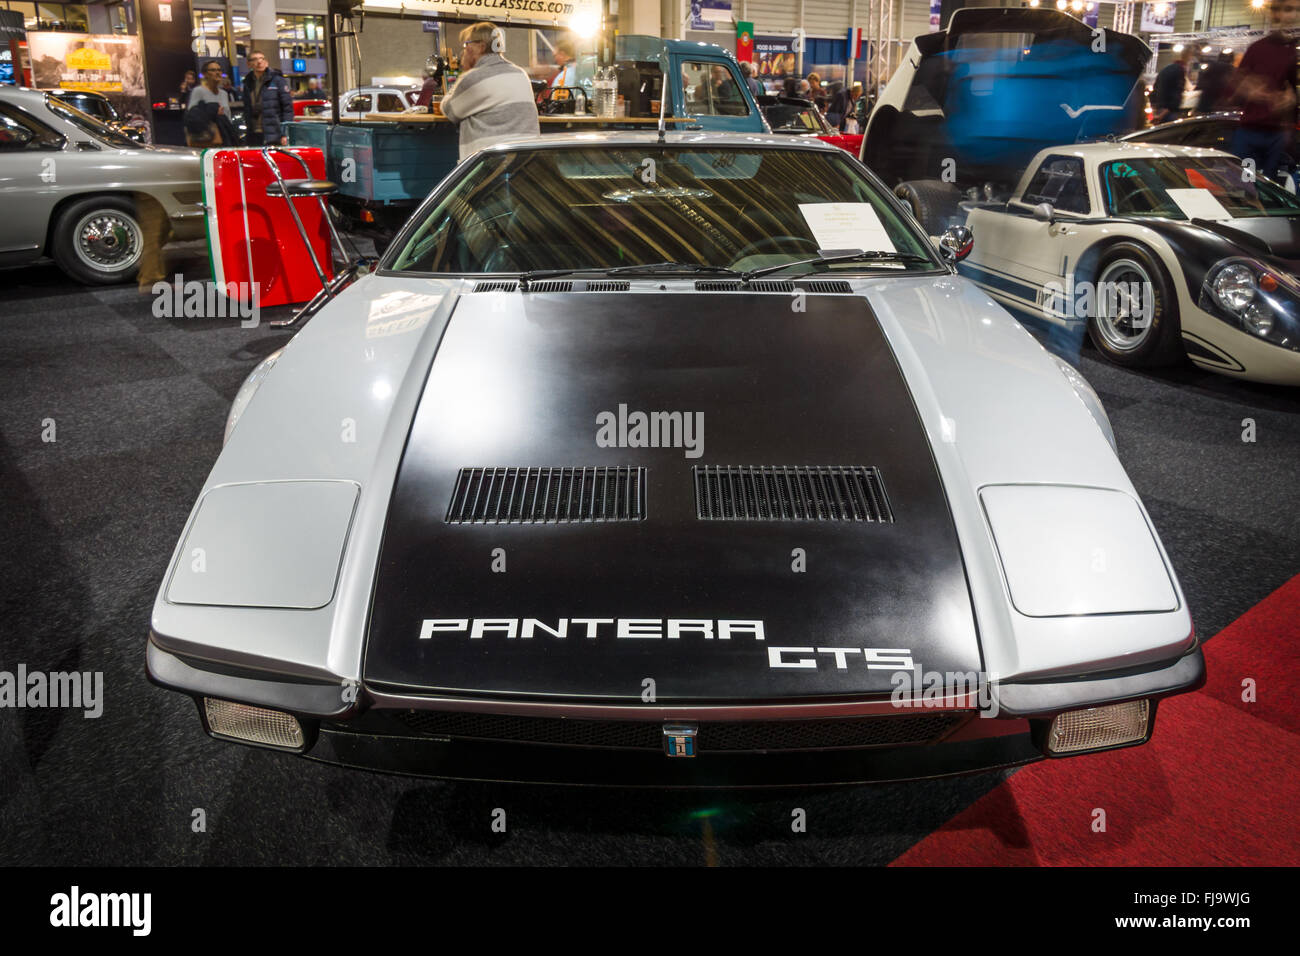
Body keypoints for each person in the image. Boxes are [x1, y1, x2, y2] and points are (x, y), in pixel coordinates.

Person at [440, 21, 539, 161]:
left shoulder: (475, 77)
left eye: (466, 44)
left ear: (481, 47)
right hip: (525, 158)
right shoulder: (520, 73)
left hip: (489, 162)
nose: (463, 51)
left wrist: (462, 78)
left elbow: (449, 110)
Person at [1232, 0, 1300, 181]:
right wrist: (1248, 90)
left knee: (1269, 188)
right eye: (1281, 10)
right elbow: (1234, 89)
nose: (1286, 16)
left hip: (1275, 135)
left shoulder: (1290, 52)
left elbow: (1291, 92)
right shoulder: (1257, 49)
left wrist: (1289, 101)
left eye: (1292, 10)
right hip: (1250, 132)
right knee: (1247, 185)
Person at [241, 50, 294, 146]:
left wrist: (285, 134)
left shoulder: (277, 80)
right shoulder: (247, 83)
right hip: (254, 134)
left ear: (266, 62)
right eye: (255, 59)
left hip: (274, 134)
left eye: (262, 59)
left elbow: (287, 109)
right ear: (249, 64)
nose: (259, 62)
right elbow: (247, 108)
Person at [185, 60, 235, 146]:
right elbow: (192, 116)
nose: (217, 72)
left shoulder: (224, 94)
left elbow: (228, 117)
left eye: (219, 70)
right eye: (213, 70)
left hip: (225, 138)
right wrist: (213, 113)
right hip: (207, 138)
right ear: (205, 74)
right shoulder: (199, 91)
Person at [1151, 46, 1194, 124]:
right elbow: (1176, 97)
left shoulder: (1165, 69)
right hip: (1168, 114)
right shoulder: (1179, 70)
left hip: (1159, 110)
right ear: (1188, 57)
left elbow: (1154, 92)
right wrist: (1162, 115)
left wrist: (1155, 114)